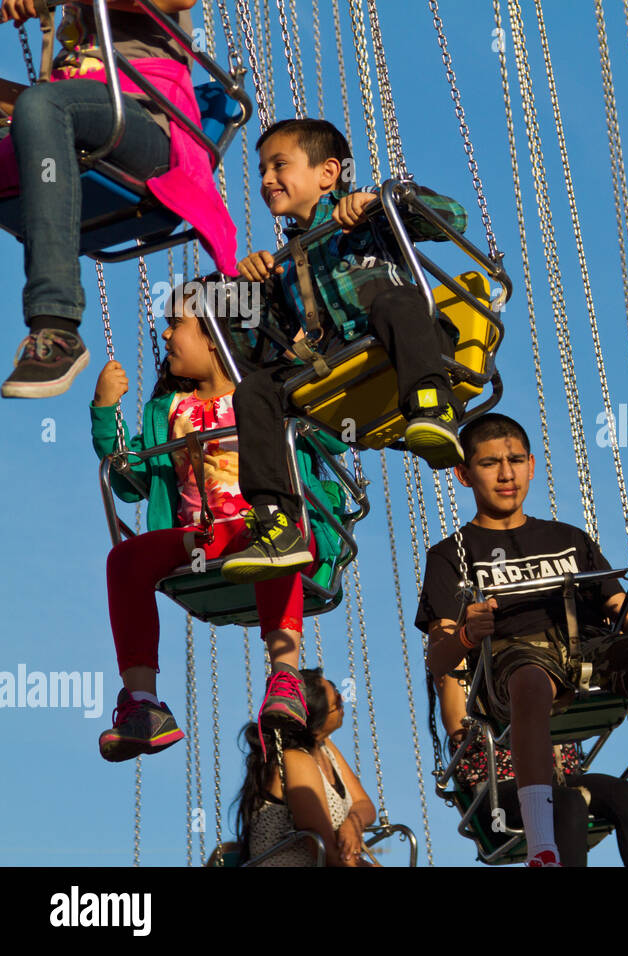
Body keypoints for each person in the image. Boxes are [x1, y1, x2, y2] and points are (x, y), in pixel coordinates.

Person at [419, 413, 628, 867]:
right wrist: (466, 633)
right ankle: (543, 849)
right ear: (463, 473)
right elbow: (439, 658)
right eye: (490, 463)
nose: (506, 473)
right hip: (516, 658)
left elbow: (623, 618)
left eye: (516, 460)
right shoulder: (449, 555)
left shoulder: (569, 538)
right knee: (530, 681)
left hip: (586, 648)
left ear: (532, 465)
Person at [91, 277, 347, 761]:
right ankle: (144, 704)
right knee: (123, 558)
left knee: (269, 537)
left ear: (215, 333)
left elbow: (334, 439)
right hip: (200, 539)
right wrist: (106, 411)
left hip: (271, 528)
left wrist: (303, 373)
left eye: (176, 324)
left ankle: (285, 676)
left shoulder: (271, 393)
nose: (164, 336)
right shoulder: (166, 409)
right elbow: (129, 482)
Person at [219, 117, 467, 583]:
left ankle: (433, 409)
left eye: (279, 165)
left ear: (328, 173)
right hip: (343, 363)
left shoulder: (372, 216)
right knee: (254, 391)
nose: (267, 179)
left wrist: (385, 201)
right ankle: (278, 523)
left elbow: (453, 218)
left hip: (410, 342)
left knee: (392, 300)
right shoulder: (287, 263)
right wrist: (251, 290)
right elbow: (258, 351)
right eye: (261, 171)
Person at [0, 0, 237, 399]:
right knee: (38, 106)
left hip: (145, 124)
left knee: (42, 105)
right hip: (79, 116)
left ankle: (56, 325)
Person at [432, 670, 628, 866]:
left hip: (558, 778)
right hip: (499, 792)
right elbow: (457, 725)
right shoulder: (469, 668)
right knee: (569, 803)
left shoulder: (546, 651)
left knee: (624, 794)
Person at [234, 669, 378, 867]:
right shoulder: (296, 761)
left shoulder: (324, 746)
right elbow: (329, 855)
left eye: (336, 688)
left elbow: (365, 805)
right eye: (336, 699)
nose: (342, 697)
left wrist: (353, 823)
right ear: (316, 721)